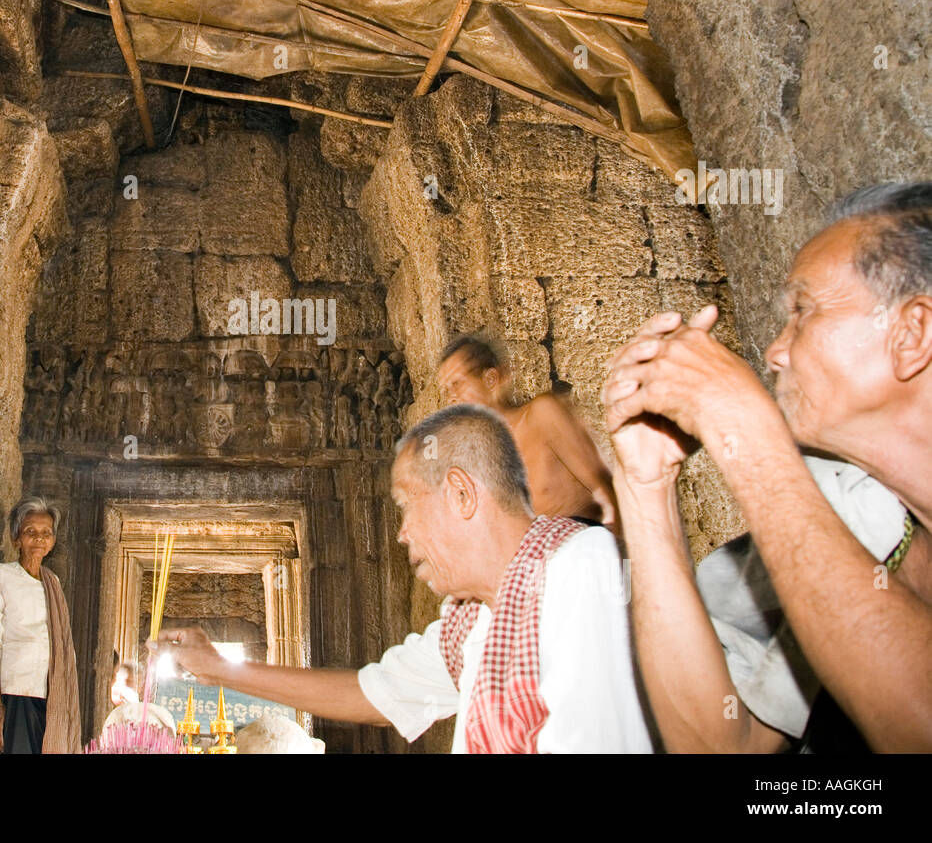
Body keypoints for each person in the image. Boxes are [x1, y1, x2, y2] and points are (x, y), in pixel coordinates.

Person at [603, 181, 932, 752]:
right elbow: (724, 746)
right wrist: (645, 484)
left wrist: (746, 430)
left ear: (912, 333)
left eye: (803, 310)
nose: (776, 351)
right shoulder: (868, 528)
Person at [160, 404, 653, 753]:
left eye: (406, 506)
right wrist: (218, 668)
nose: (401, 534)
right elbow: (371, 694)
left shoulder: (579, 570)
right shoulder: (472, 622)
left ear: (461, 493)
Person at [437, 335, 619, 532]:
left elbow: (603, 485)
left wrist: (626, 556)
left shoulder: (541, 415)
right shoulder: (481, 461)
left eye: (457, 384)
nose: (452, 399)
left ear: (491, 380)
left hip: (583, 545)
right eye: (446, 391)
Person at [0, 497, 82, 754]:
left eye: (46, 533)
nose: (39, 538)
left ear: (53, 541)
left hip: (50, 693)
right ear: (17, 539)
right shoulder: (3, 576)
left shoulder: (53, 582)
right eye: (30, 532)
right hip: (17, 690)